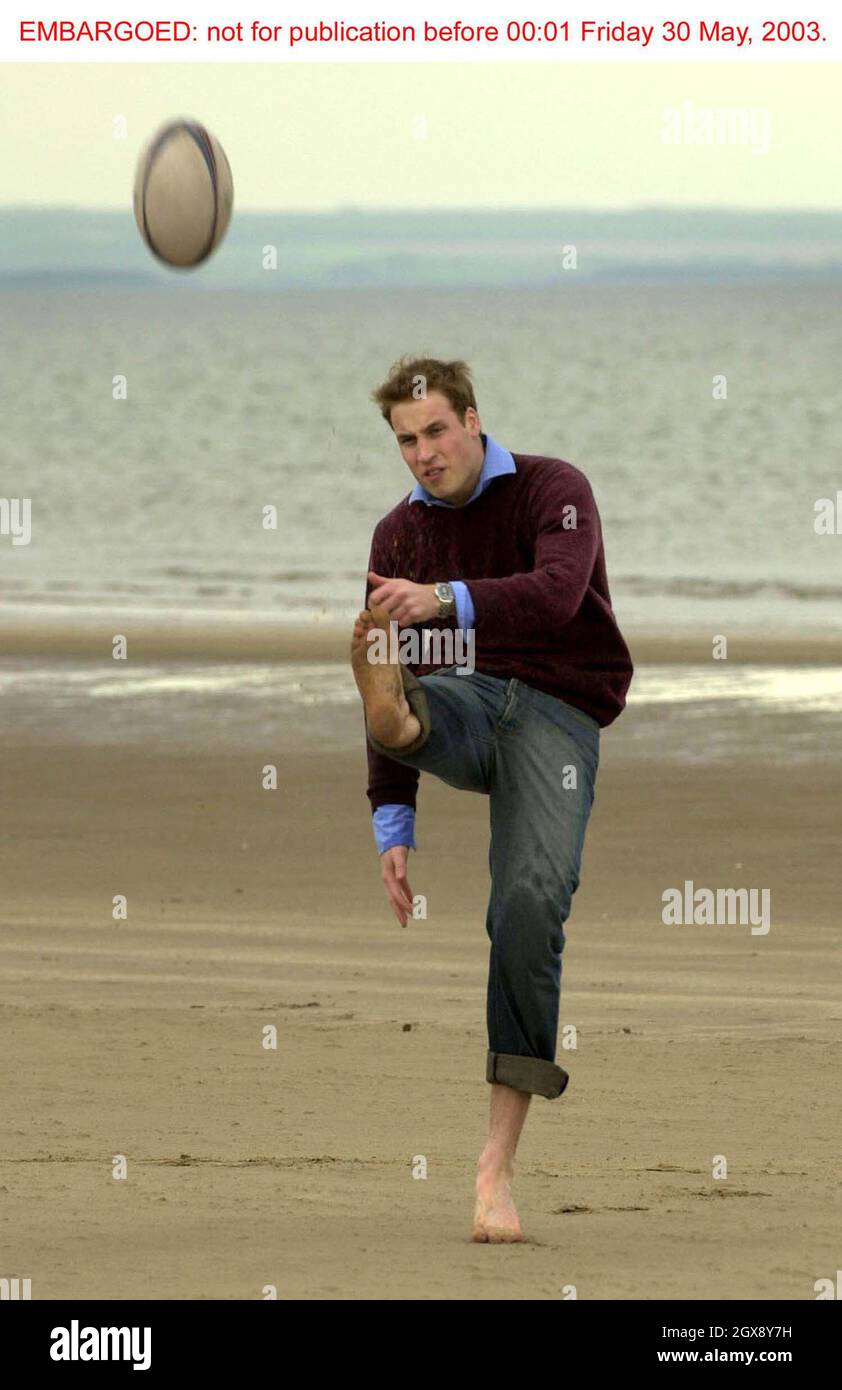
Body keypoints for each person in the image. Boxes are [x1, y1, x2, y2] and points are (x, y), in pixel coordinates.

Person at [350, 356, 633, 1242]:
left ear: (474, 420)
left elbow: (555, 599)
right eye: (406, 440)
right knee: (398, 700)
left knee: (528, 903)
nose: (424, 453)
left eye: (436, 431)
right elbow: (400, 644)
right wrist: (392, 820)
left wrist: (440, 600)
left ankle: (494, 1166)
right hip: (464, 703)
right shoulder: (395, 537)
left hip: (557, 712)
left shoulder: (555, 488)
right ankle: (396, 723)